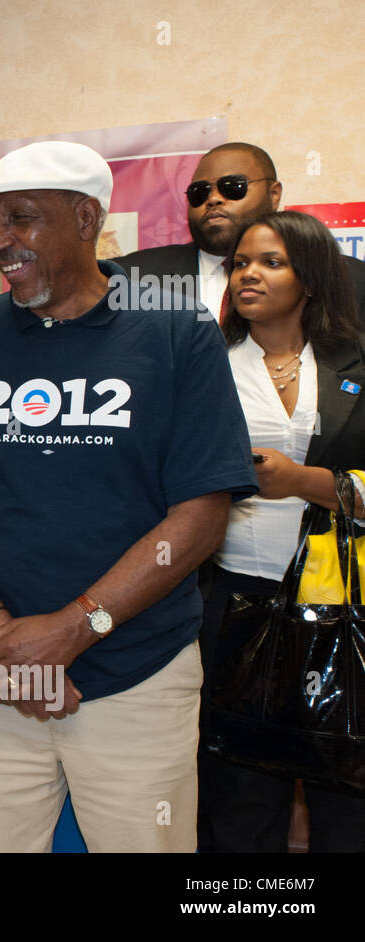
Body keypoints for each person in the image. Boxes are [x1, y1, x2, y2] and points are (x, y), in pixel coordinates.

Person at [0, 141, 259, 853]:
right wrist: (1, 635)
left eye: (21, 219)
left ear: (87, 218)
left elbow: (201, 514)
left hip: (134, 678)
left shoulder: (177, 334)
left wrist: (74, 628)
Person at [199, 210, 365, 852]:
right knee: (240, 801)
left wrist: (304, 482)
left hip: (343, 606)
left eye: (271, 262)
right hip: (233, 601)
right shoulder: (204, 363)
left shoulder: (356, 363)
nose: (249, 274)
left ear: (313, 279)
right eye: (241, 262)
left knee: (346, 799)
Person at [115, 142, 365, 321]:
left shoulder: (347, 279)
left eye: (233, 187)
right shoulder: (131, 278)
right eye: (199, 192)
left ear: (274, 194)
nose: (213, 199)